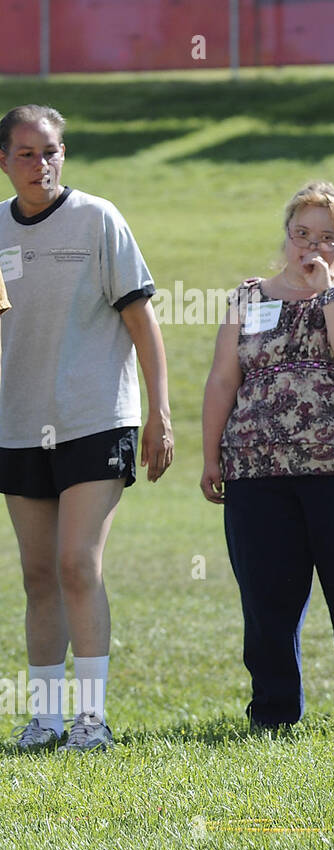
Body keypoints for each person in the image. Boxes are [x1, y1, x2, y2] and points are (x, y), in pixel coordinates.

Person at [201, 181, 334, 728]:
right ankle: (272, 710)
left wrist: (327, 295)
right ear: (287, 236)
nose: (311, 247)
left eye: (326, 237)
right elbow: (224, 380)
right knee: (268, 598)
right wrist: (211, 457)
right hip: (258, 472)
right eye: (301, 234)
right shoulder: (249, 297)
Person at [0, 104, 173, 752]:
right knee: (38, 574)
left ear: (64, 154)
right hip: (18, 424)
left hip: (95, 419)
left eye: (50, 151)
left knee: (78, 563)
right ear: (4, 161)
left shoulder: (99, 220)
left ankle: (91, 719)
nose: (40, 164)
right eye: (26, 153)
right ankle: (45, 716)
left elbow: (142, 322)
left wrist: (161, 412)